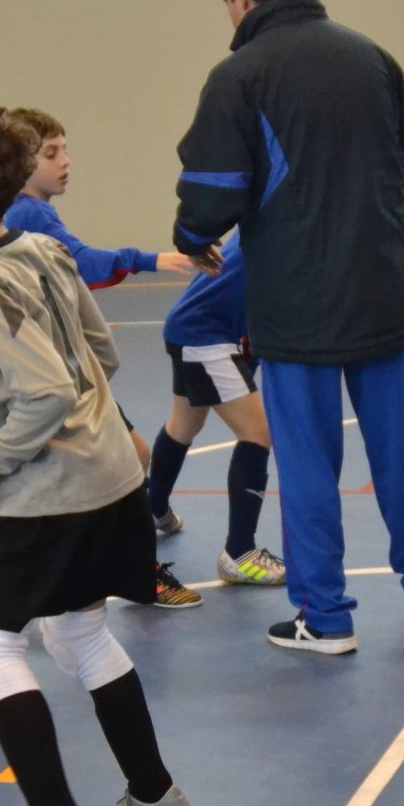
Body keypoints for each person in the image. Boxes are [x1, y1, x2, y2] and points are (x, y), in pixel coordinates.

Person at [0, 99, 195, 806]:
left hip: (52, 488)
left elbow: (41, 391)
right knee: (78, 629)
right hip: (110, 475)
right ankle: (153, 795)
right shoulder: (42, 246)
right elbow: (96, 351)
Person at [171, 0, 404, 653]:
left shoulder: (240, 75)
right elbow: (402, 160)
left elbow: (214, 192)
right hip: (385, 288)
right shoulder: (374, 58)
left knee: (307, 464)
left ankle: (325, 618)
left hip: (297, 304)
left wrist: (191, 229)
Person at [2, 106, 207, 610]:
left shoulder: (27, 210)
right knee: (113, 465)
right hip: (58, 371)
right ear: (18, 162)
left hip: (62, 366)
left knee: (130, 459)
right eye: (51, 153)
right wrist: (150, 259)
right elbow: (80, 262)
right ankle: (138, 574)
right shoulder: (28, 212)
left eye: (65, 149)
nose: (66, 162)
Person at [146, 230, 287, 587]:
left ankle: (154, 508)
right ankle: (239, 553)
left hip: (191, 326)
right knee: (258, 434)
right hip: (205, 334)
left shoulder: (261, 219)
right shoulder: (283, 224)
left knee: (184, 425)